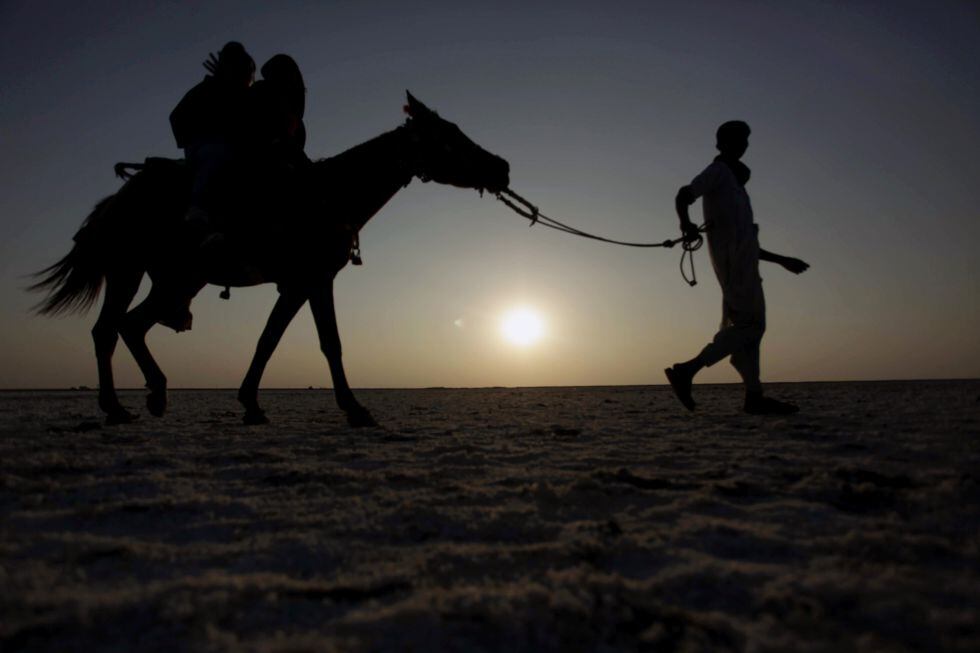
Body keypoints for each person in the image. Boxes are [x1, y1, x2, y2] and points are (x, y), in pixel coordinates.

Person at [664, 121, 809, 414]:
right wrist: (686, 224)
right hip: (734, 267)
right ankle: (687, 370)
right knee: (750, 326)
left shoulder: (737, 190)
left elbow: (747, 243)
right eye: (737, 139)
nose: (743, 144)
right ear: (723, 144)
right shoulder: (718, 173)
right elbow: (684, 194)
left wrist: (782, 261)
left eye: (745, 139)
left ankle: (754, 397)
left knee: (750, 331)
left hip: (744, 266)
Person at [169, 41, 255, 237]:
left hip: (238, 148)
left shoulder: (246, 95)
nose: (246, 74)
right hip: (206, 147)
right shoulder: (207, 89)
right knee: (216, 153)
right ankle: (198, 208)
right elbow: (177, 117)